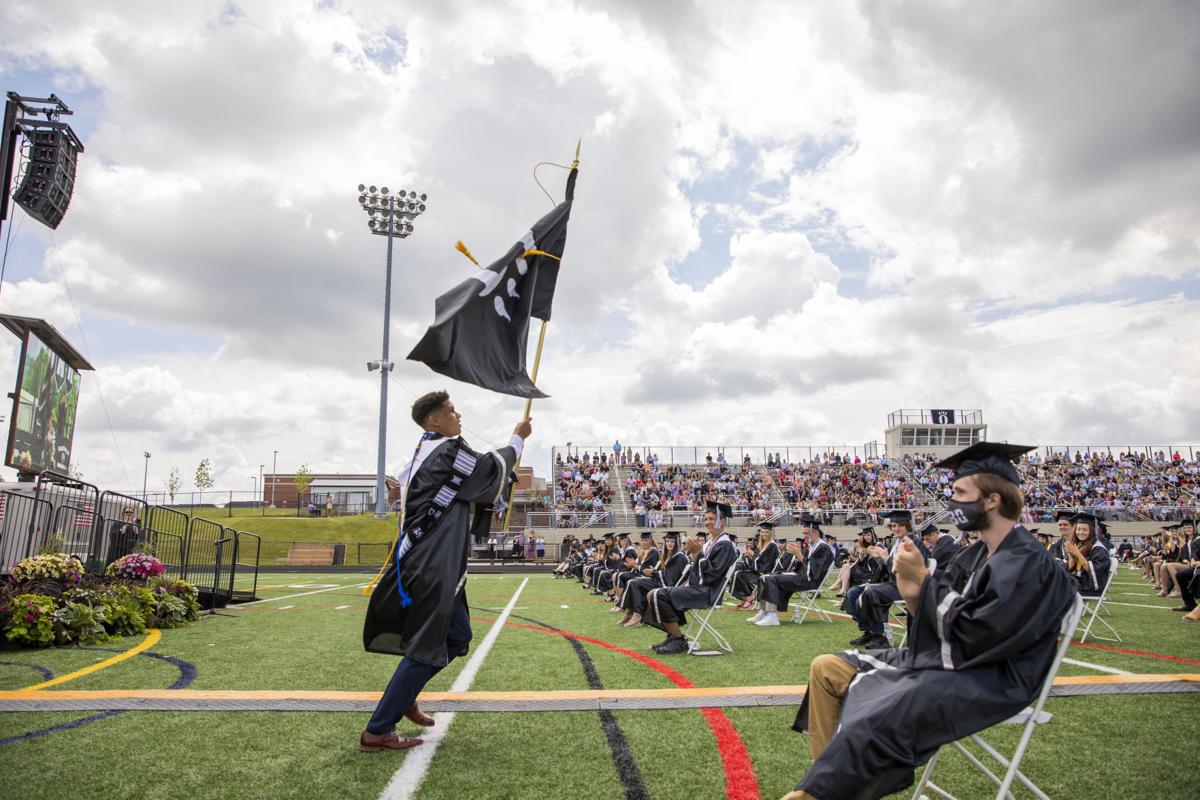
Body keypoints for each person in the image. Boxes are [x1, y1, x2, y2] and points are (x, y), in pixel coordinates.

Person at [782, 442, 1077, 800]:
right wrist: (913, 590)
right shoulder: (976, 554)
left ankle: (817, 793)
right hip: (950, 659)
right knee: (827, 668)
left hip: (991, 676)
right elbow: (936, 614)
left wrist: (922, 582)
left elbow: (979, 636)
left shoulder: (1027, 562)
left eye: (960, 493)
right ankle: (831, 783)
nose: (952, 501)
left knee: (880, 713)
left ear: (992, 500)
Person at [360, 390, 529, 753]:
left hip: (430, 561)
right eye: (451, 410)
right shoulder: (448, 452)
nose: (458, 414)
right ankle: (378, 729)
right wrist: (517, 439)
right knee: (428, 642)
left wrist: (503, 477)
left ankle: (405, 694)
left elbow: (471, 489)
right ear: (434, 420)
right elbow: (486, 471)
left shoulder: (425, 453)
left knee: (457, 636)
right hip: (431, 563)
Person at [645, 501, 738, 654]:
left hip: (707, 592)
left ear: (722, 521)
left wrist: (698, 553)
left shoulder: (725, 545)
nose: (707, 522)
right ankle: (674, 637)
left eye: (711, 518)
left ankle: (678, 640)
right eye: (705, 518)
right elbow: (699, 569)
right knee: (652, 594)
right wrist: (697, 553)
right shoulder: (710, 543)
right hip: (697, 587)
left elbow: (712, 575)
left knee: (657, 594)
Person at [844, 510, 929, 649]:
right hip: (892, 584)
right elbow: (887, 569)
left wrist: (886, 558)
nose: (896, 528)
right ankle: (868, 631)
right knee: (853, 592)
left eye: (900, 525)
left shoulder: (914, 543)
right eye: (893, 525)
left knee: (871, 592)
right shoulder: (895, 543)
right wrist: (879, 558)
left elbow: (908, 570)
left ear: (907, 526)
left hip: (907, 586)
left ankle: (879, 636)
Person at [751, 515, 834, 626]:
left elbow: (814, 571)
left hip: (810, 581)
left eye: (806, 533)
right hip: (802, 577)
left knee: (770, 579)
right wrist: (797, 555)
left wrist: (798, 554)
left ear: (815, 532)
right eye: (803, 533)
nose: (804, 536)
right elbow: (804, 565)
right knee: (764, 577)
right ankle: (763, 611)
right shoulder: (812, 546)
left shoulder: (823, 548)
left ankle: (772, 616)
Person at [619, 531, 687, 627]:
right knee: (632, 582)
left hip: (670, 587)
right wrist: (655, 571)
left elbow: (671, 579)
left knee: (634, 583)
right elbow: (667, 574)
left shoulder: (679, 557)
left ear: (677, 543)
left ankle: (637, 616)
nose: (669, 544)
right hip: (661, 581)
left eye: (672, 541)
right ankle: (629, 613)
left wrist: (654, 573)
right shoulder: (671, 555)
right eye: (667, 541)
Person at [732, 521, 780, 610]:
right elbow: (758, 561)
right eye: (762, 532)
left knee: (739, 574)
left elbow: (765, 564)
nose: (764, 534)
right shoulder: (763, 545)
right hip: (760, 571)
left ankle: (747, 599)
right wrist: (749, 557)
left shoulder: (772, 546)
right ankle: (747, 598)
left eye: (766, 532)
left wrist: (753, 555)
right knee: (737, 573)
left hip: (768, 573)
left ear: (771, 533)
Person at [1065, 511, 1111, 597]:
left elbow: (1096, 571)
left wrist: (1078, 554)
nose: (1081, 532)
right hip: (1079, 582)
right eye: (1078, 529)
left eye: (1085, 530)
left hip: (1089, 587)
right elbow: (1071, 569)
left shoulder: (1098, 548)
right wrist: (1072, 557)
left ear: (1091, 531)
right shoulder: (1080, 545)